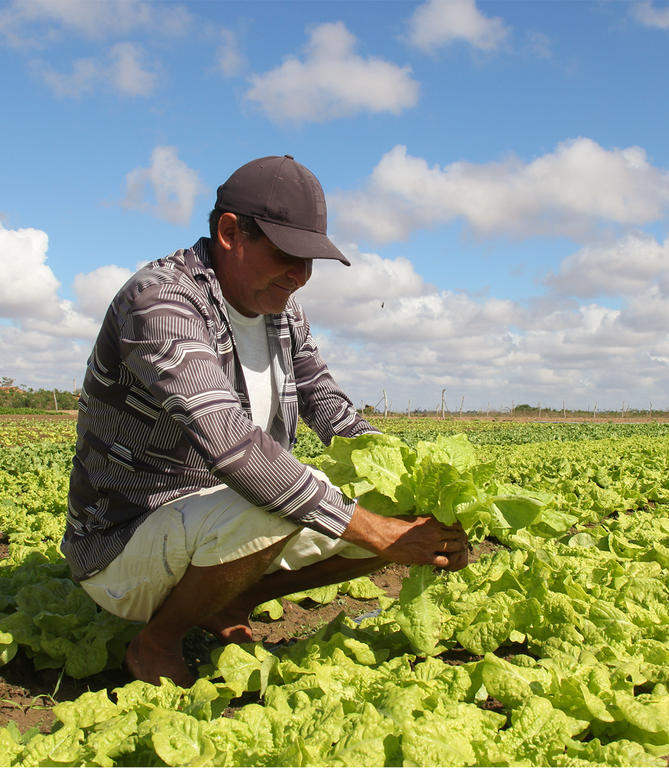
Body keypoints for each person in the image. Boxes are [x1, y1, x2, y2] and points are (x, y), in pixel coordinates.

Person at [62, 155, 468, 687]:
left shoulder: (282, 311)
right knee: (281, 495)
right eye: (287, 254)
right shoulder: (160, 303)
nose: (301, 275)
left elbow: (329, 405)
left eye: (309, 260)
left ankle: (229, 601)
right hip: (126, 542)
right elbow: (234, 449)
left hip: (222, 527)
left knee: (390, 503)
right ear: (230, 232)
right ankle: (156, 642)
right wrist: (379, 532)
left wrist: (417, 492)